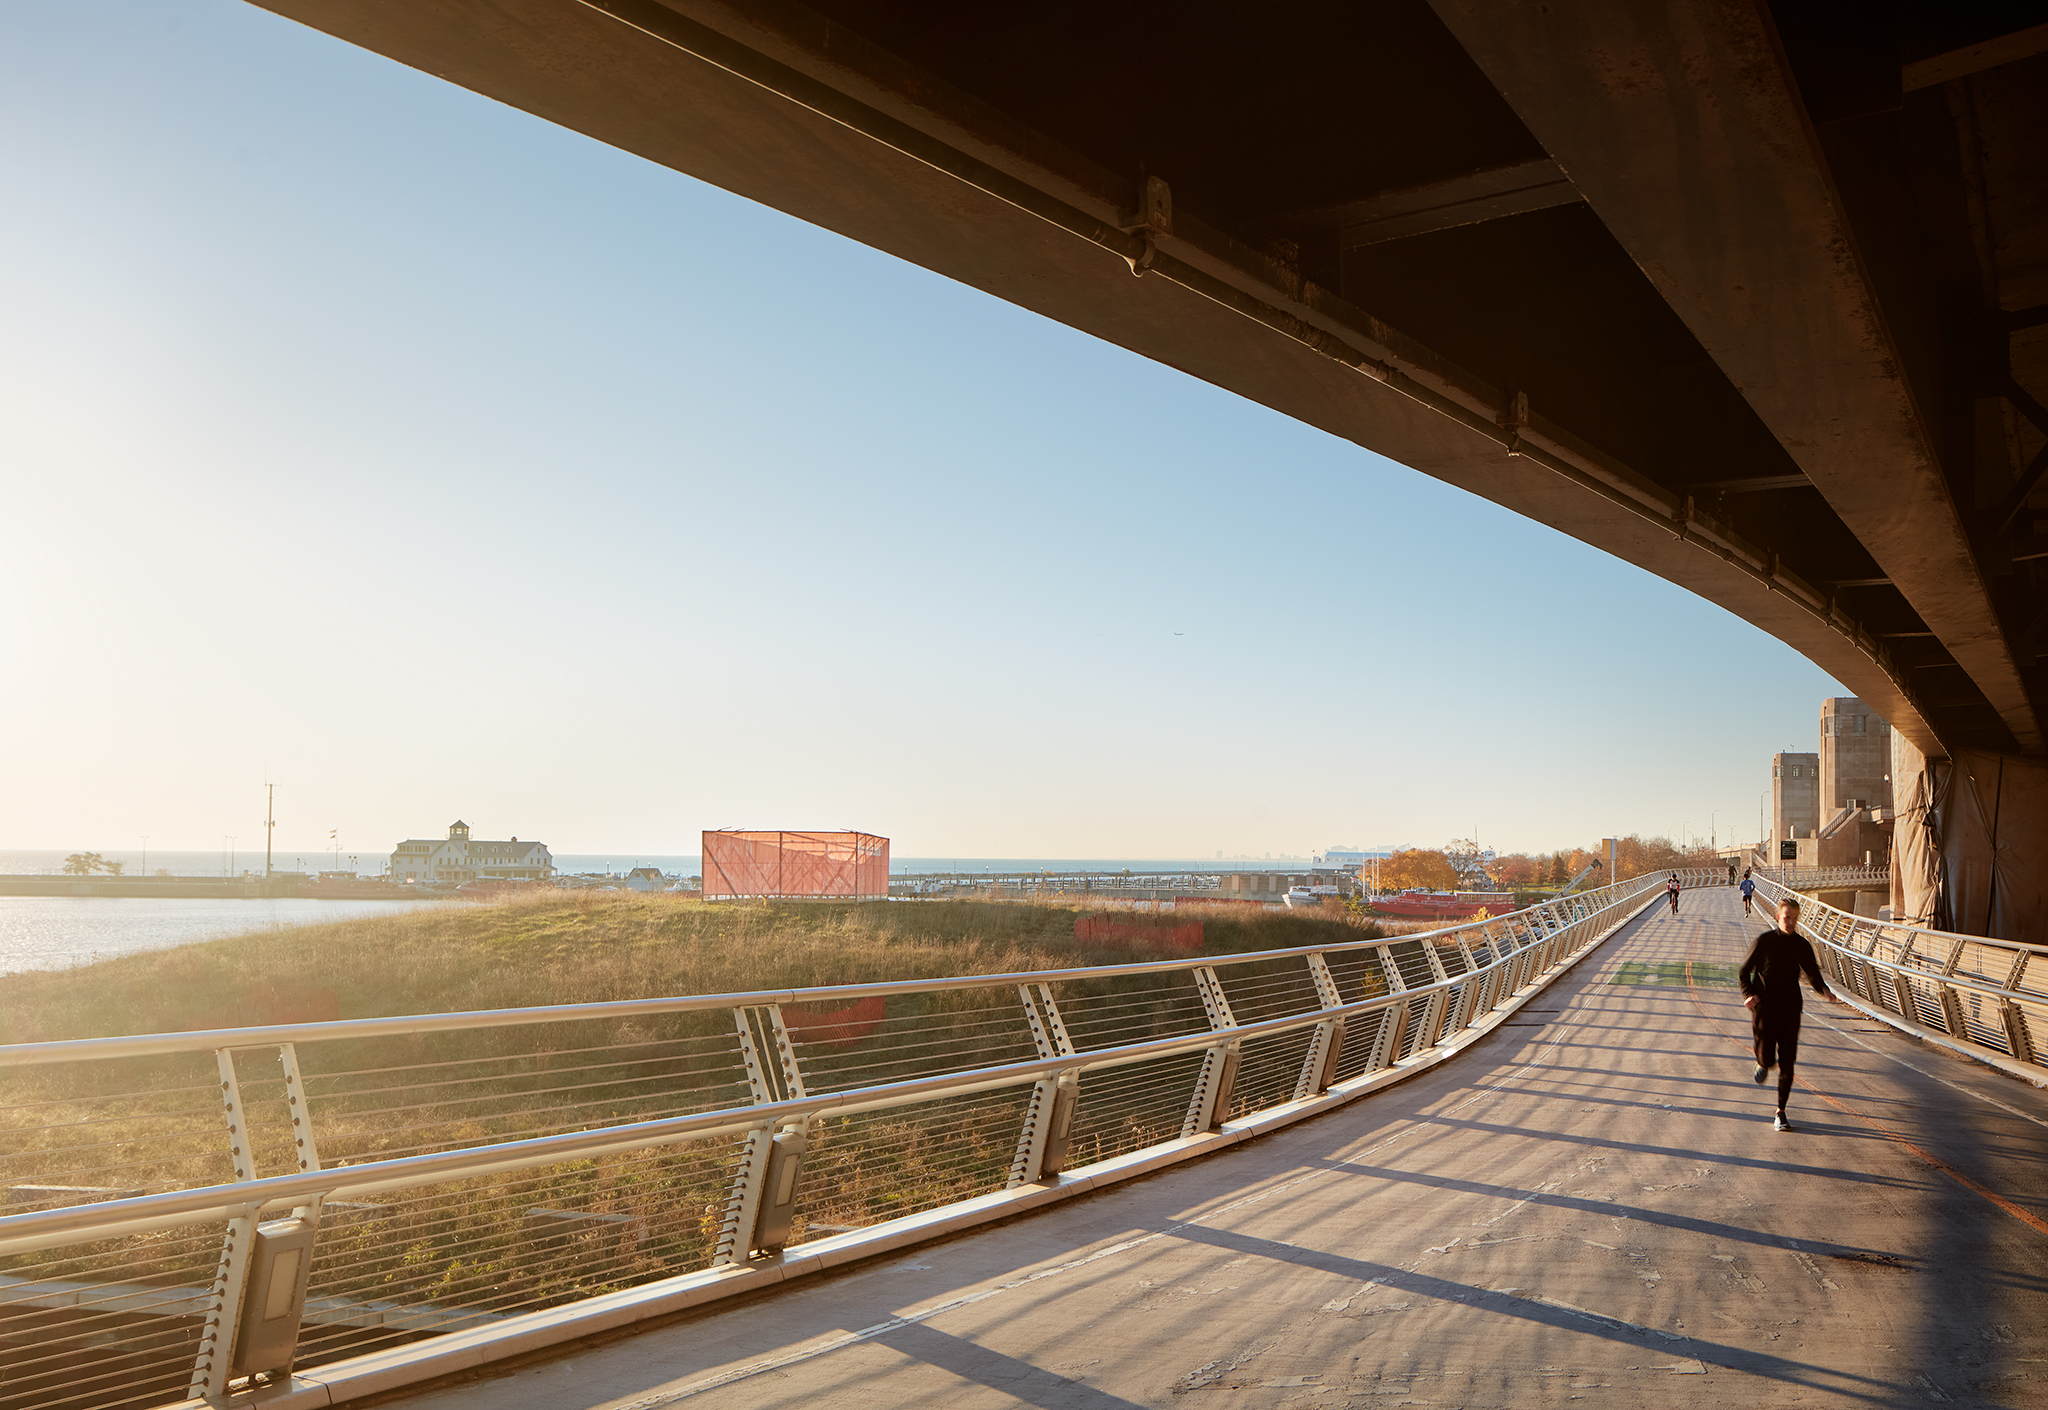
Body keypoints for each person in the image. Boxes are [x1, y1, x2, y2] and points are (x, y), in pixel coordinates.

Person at [1739, 897, 1839, 1131]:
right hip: (1764, 1008)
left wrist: (1824, 990)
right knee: (1766, 1057)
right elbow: (1744, 971)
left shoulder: (1802, 945)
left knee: (1788, 1063)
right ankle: (1762, 1063)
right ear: (1778, 917)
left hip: (1791, 1008)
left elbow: (1812, 972)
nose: (1791, 922)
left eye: (1795, 918)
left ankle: (1780, 1112)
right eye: (1787, 918)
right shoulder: (1763, 942)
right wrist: (1748, 994)